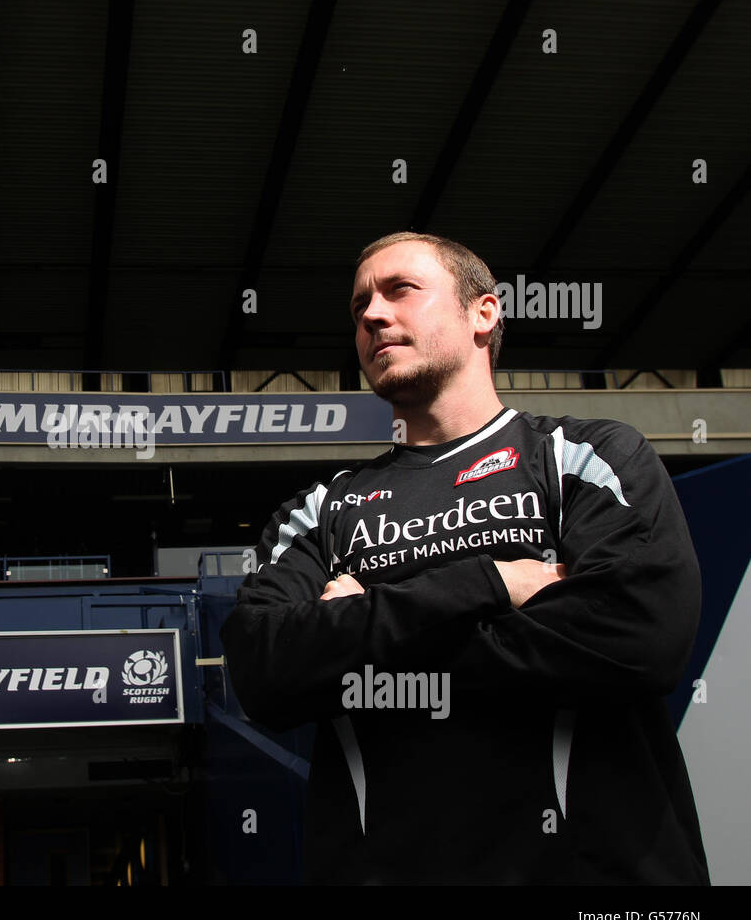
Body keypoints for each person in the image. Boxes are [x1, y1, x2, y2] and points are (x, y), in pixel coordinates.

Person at [219, 232, 709, 884]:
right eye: (360, 303)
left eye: (400, 290)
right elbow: (259, 670)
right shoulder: (323, 509)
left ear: (484, 313)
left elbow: (639, 632)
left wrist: (363, 637)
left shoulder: (585, 457)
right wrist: (494, 583)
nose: (370, 314)